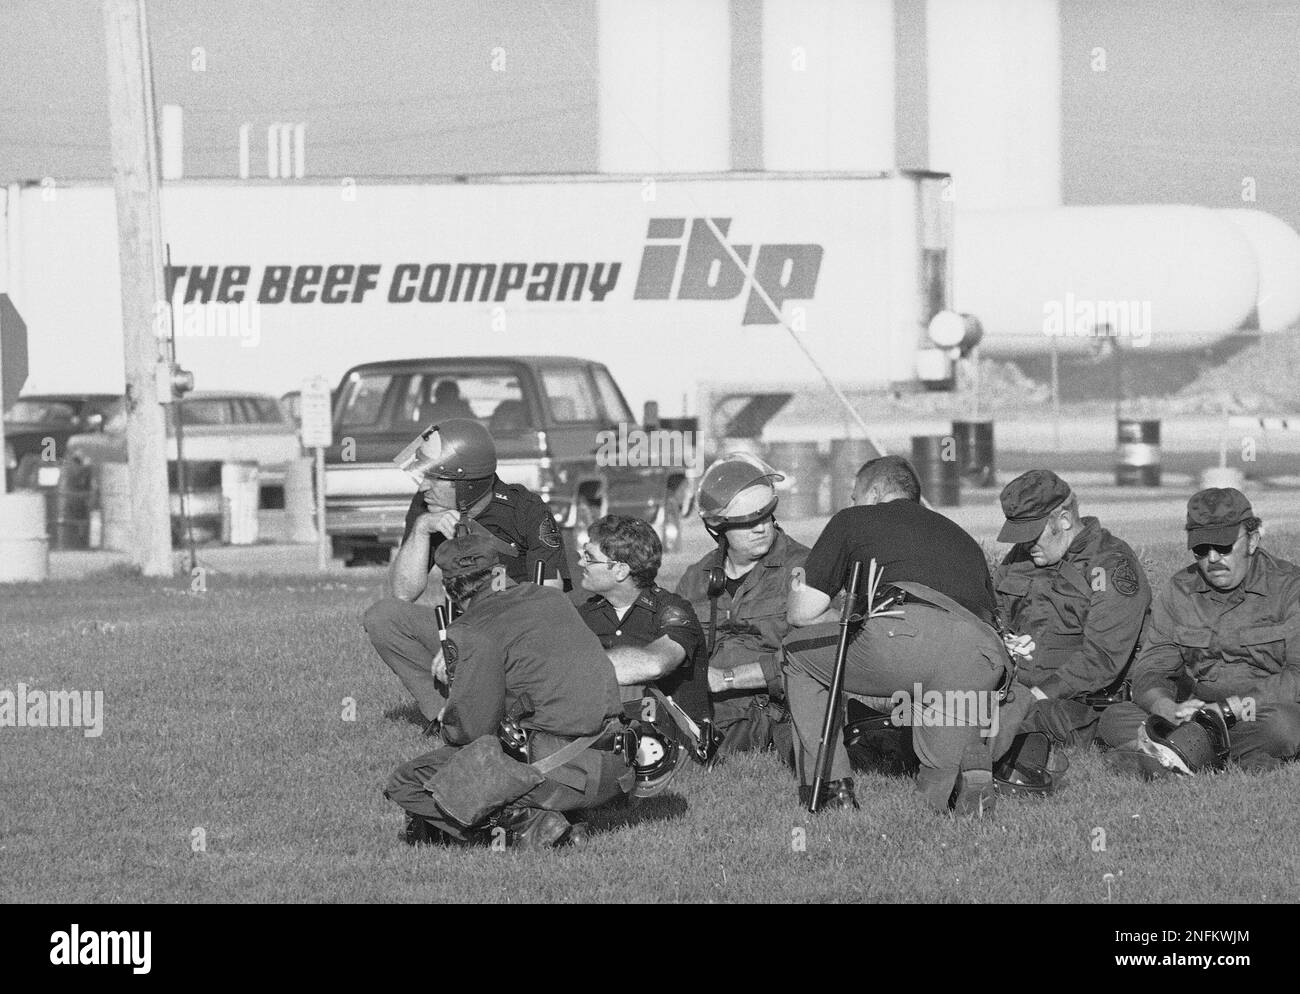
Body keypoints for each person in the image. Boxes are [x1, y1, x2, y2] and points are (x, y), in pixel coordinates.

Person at [783, 455, 1011, 815]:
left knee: (796, 654)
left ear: (874, 491)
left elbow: (801, 613)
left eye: (855, 495)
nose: (853, 503)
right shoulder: (961, 536)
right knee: (933, 798)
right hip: (980, 653)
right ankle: (964, 776)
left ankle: (831, 789)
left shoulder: (853, 520)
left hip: (906, 634)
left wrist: (826, 604)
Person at [384, 525, 632, 849]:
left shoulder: (471, 628)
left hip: (565, 772)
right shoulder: (550, 597)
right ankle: (552, 813)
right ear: (498, 571)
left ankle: (527, 825)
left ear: (448, 590)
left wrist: (452, 711)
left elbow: (471, 733)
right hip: (620, 766)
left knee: (406, 783)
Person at [363, 418, 570, 726]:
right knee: (382, 617)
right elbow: (403, 592)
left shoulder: (525, 509)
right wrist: (422, 529)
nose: (423, 486)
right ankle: (448, 717)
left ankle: (506, 711)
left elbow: (549, 601)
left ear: (466, 484)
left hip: (520, 637)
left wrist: (468, 640)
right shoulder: (427, 506)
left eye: (435, 478)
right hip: (464, 628)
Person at [1098, 488, 1300, 772]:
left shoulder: (1290, 587)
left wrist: (1231, 709)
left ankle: (1174, 751)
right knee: (1114, 718)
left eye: (1224, 546)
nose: (1213, 558)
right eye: (1201, 549)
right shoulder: (1178, 591)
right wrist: (1166, 707)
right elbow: (1153, 669)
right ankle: (1216, 753)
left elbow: (1296, 677)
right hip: (1195, 712)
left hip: (1259, 710)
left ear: (1252, 540)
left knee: (1284, 725)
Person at [992, 470, 1151, 754]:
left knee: (1006, 729)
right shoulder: (1019, 558)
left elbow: (1101, 658)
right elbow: (994, 618)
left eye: (1032, 534)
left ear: (1064, 519)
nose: (1026, 545)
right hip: (1017, 691)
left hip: (1081, 704)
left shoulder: (1108, 566)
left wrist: (1037, 696)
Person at [675, 453, 809, 763]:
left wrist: (728, 678)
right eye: (748, 522)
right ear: (718, 528)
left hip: (770, 709)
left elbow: (813, 658)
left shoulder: (803, 569)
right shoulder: (695, 579)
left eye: (766, 516)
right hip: (704, 708)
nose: (762, 528)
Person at [575, 514, 714, 760]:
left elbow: (655, 664)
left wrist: (578, 668)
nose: (580, 563)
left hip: (674, 743)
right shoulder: (585, 615)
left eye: (589, 557)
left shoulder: (671, 610)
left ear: (619, 570)